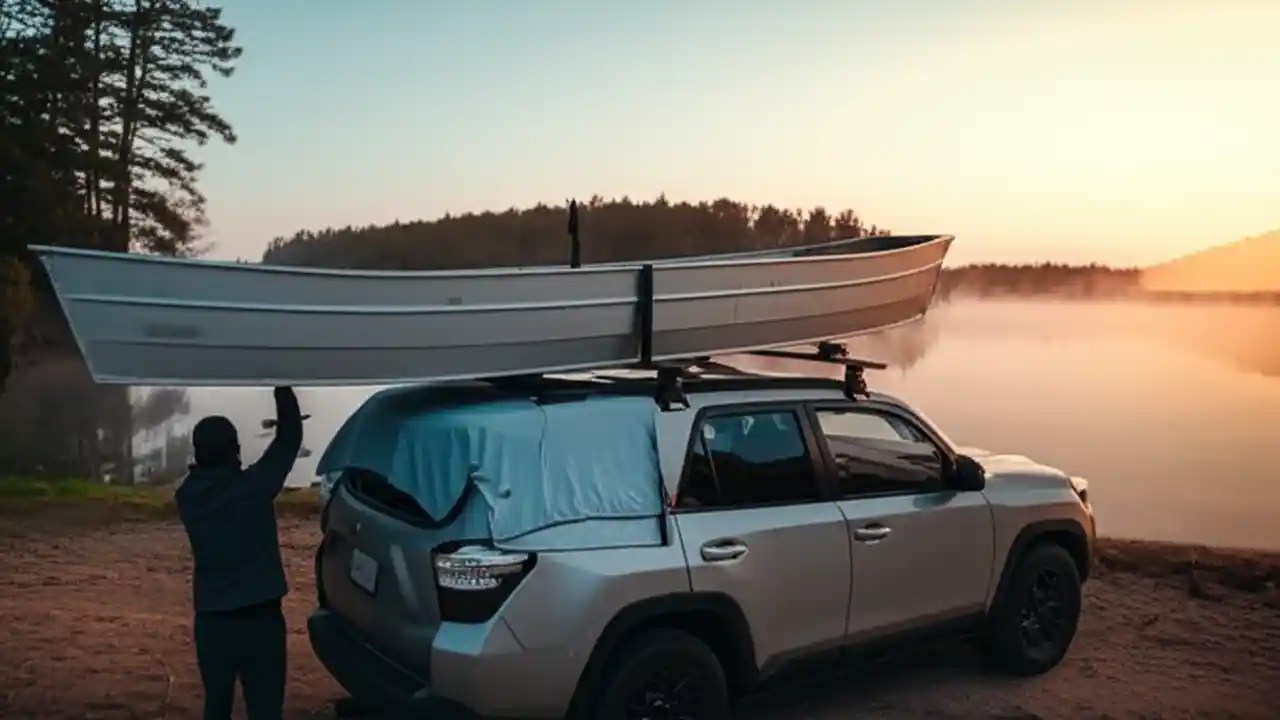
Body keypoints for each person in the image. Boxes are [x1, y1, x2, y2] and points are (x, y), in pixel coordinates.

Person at [175, 386, 303, 720]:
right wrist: (283, 387)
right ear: (236, 450)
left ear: (198, 454)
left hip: (212, 623)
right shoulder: (255, 487)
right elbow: (289, 440)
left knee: (216, 707)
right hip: (261, 622)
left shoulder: (188, 497)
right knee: (265, 711)